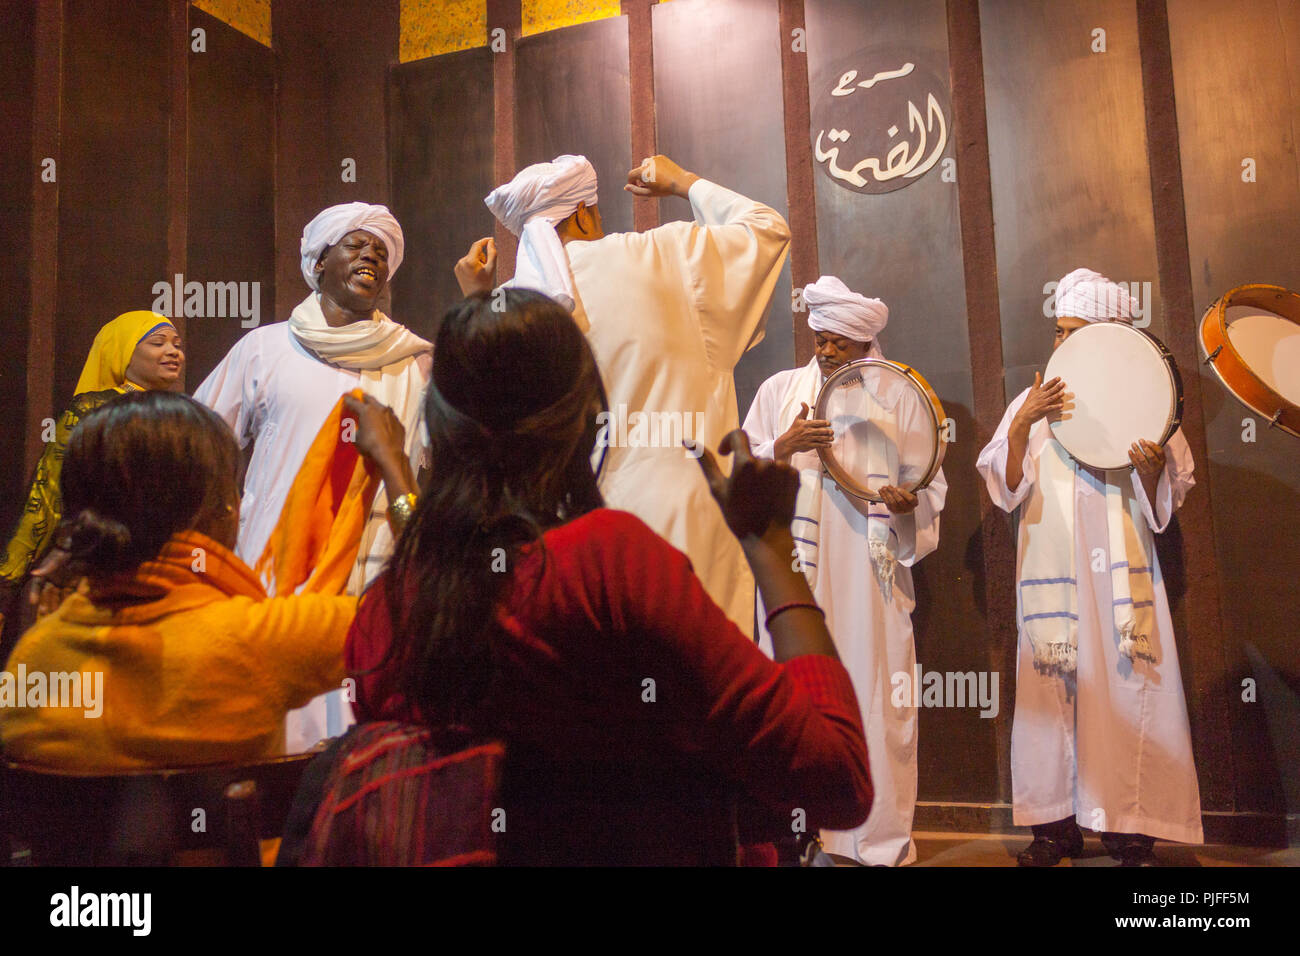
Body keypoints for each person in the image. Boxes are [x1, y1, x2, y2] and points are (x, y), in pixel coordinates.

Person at [344, 289, 872, 865]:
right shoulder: (607, 566)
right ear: (591, 417)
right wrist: (771, 550)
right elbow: (836, 780)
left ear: (438, 427)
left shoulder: (383, 614)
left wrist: (397, 475)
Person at [464, 153, 790, 637]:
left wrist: (476, 302)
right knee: (701, 685)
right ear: (583, 212)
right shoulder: (668, 256)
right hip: (679, 522)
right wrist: (684, 183)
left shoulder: (512, 307)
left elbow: (473, 429)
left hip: (567, 542)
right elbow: (766, 229)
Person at [0, 389, 413, 771]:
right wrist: (396, 471)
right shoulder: (260, 639)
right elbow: (433, 604)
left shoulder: (32, 661)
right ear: (224, 511)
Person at [975, 267, 1202, 866]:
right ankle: (1054, 829)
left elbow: (1168, 499)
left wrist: (1151, 470)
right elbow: (1004, 484)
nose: (1060, 345)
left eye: (1074, 332)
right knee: (1052, 700)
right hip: (1053, 587)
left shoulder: (1150, 398)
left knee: (1126, 693)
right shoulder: (1033, 401)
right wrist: (1024, 424)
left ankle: (1130, 828)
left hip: (1119, 589)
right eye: (1058, 332)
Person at [193, 202, 431, 751]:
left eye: (379, 248)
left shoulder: (414, 363)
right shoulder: (265, 348)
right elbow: (197, 448)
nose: (371, 252)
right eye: (354, 243)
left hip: (374, 585)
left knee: (357, 743)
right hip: (273, 580)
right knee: (273, 745)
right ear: (318, 263)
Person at [743, 276, 946, 866]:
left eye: (837, 342)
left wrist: (908, 503)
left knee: (872, 694)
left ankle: (875, 841)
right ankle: (793, 835)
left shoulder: (900, 397)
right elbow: (739, 467)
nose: (825, 351)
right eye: (819, 339)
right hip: (795, 569)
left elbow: (929, 482)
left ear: (864, 344)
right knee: (793, 695)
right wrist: (780, 447)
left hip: (870, 574)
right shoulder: (781, 390)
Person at [0, 312, 183, 656]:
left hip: (168, 578)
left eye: (177, 344)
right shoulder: (93, 411)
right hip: (99, 573)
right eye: (157, 343)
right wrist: (6, 585)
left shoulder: (187, 415)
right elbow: (47, 496)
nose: (173, 351)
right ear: (121, 354)